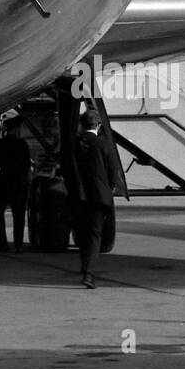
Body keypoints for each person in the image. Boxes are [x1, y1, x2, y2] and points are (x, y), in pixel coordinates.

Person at [71, 107, 115, 289]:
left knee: (82, 233)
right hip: (98, 196)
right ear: (98, 124)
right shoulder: (103, 144)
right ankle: (89, 274)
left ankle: (83, 266)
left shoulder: (74, 143)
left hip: (78, 196)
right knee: (94, 235)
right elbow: (112, 172)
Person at [0, 115, 32, 252]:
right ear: (17, 129)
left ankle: (2, 243)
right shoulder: (22, 144)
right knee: (18, 216)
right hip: (19, 184)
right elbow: (26, 166)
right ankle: (18, 245)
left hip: (4, 182)